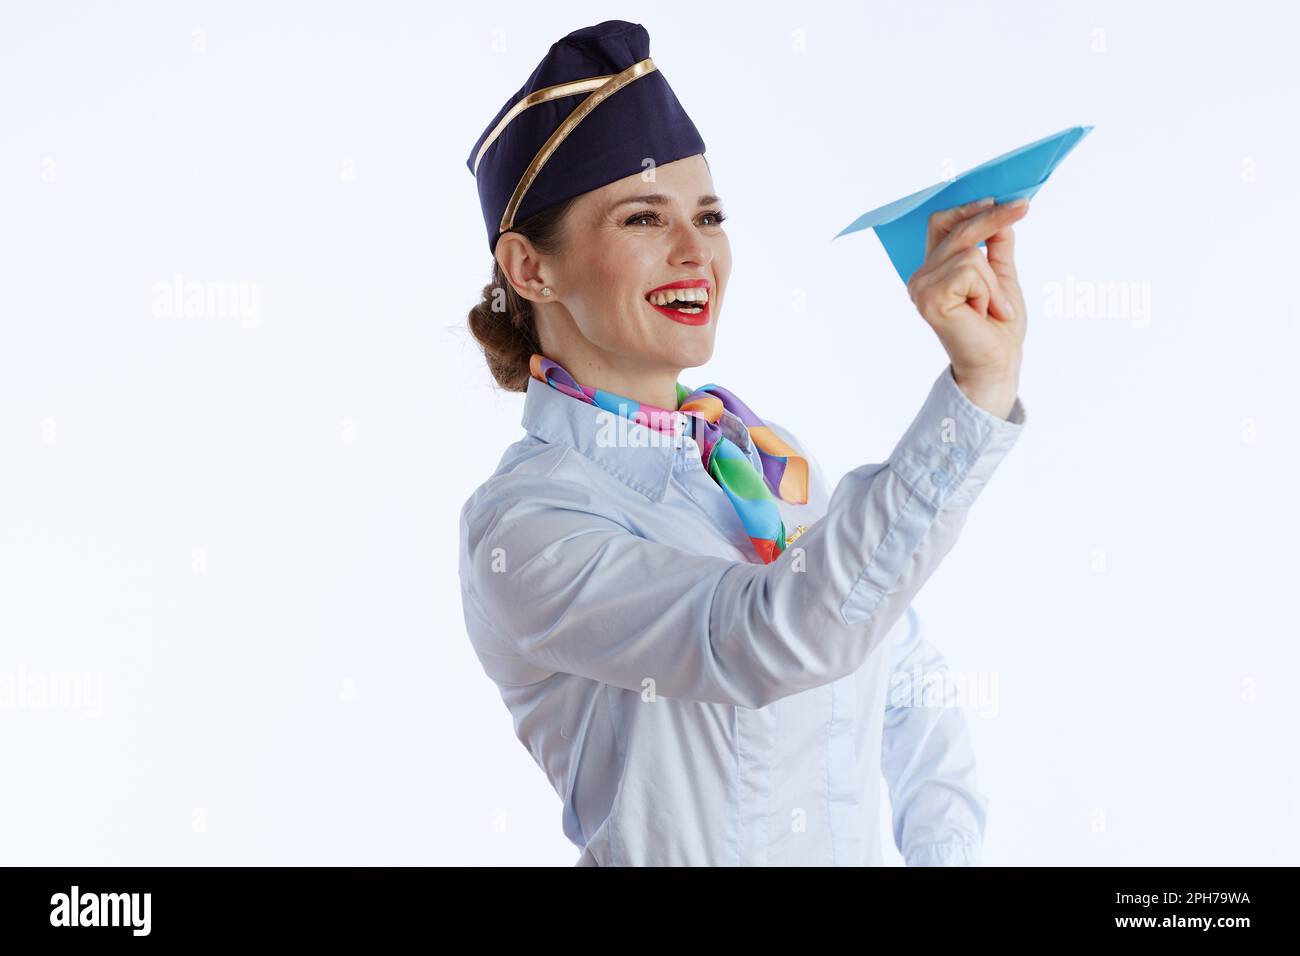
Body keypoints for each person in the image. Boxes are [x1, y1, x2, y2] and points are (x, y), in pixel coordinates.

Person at [458, 19, 1029, 866]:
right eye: (644, 218)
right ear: (531, 268)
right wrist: (975, 394)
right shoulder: (526, 525)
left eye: (710, 214)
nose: (697, 252)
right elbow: (768, 638)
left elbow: (902, 672)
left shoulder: (762, 460)